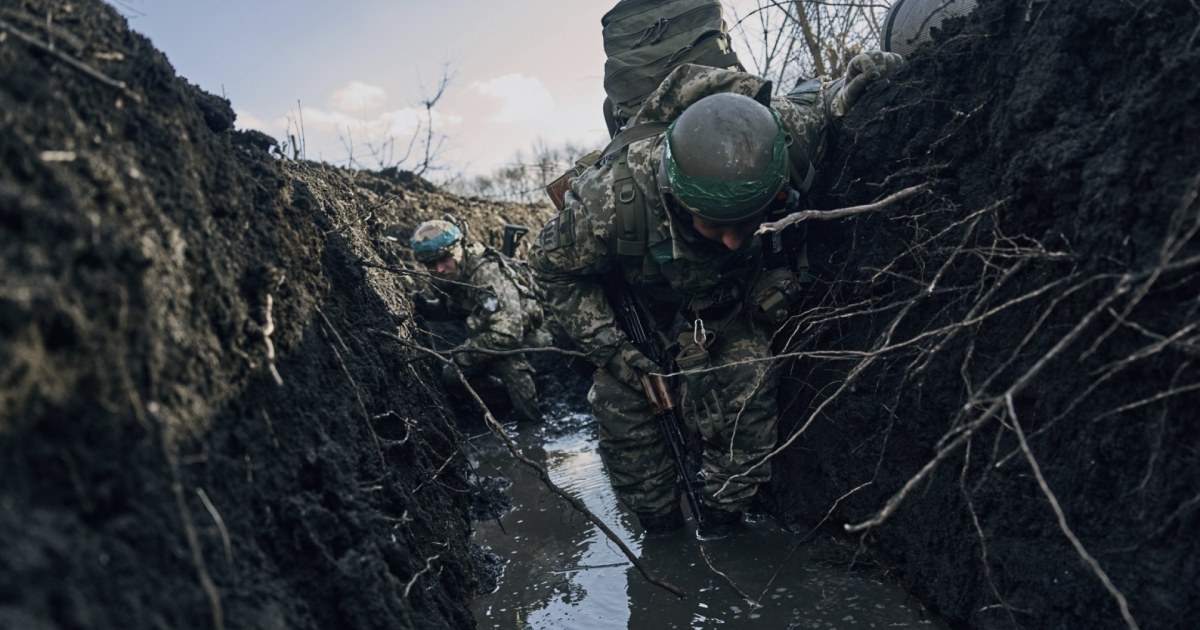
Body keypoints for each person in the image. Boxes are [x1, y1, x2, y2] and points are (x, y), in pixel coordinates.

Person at [530, 53, 904, 538]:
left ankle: (724, 525)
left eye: (745, 223)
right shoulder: (610, 204)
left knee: (750, 397)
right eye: (714, 225)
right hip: (644, 319)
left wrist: (858, 80)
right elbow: (548, 268)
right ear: (675, 196)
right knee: (625, 423)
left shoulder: (783, 139)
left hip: (731, 310)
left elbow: (827, 100)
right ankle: (660, 531)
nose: (732, 241)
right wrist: (616, 351)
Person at [410, 218, 548, 424]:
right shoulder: (452, 273)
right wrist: (424, 307)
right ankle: (504, 403)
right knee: (452, 376)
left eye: (444, 258)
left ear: (459, 248)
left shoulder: (485, 273)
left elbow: (508, 335)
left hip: (530, 338)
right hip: (491, 335)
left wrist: (463, 354)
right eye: (431, 264)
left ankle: (532, 425)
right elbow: (453, 308)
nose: (438, 269)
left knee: (508, 363)